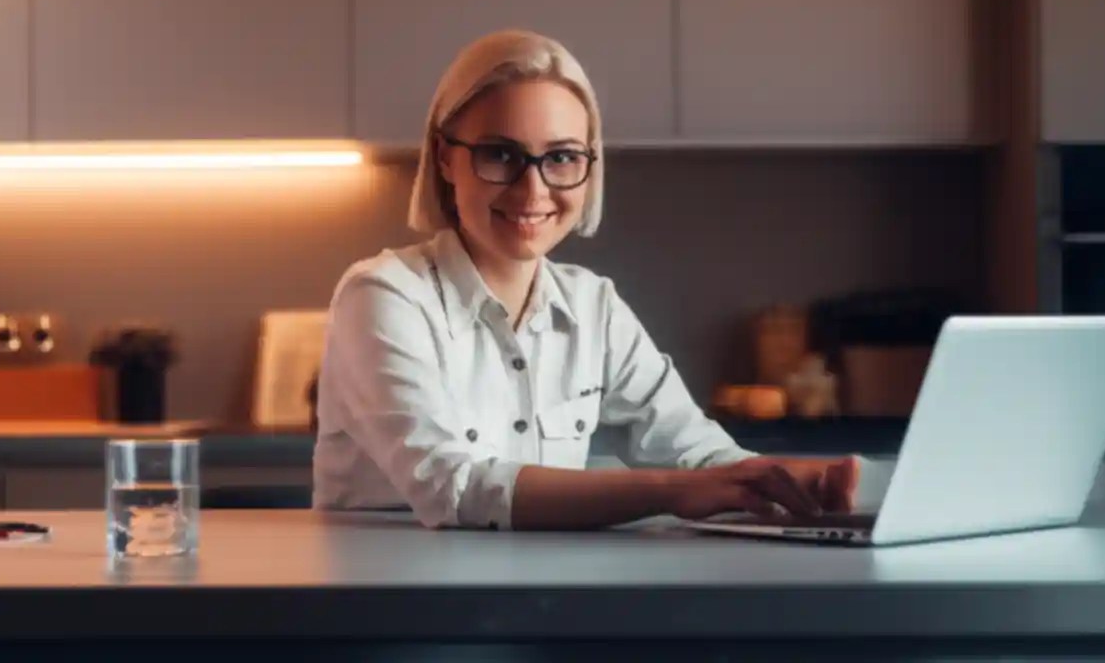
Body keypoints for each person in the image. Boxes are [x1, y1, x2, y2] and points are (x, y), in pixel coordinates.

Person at [312, 30, 863, 530]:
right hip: (395, 614)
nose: (533, 191)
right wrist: (670, 491)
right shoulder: (383, 296)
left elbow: (696, 458)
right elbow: (454, 489)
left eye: (561, 157)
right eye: (500, 154)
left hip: (545, 606)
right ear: (444, 159)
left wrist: (795, 480)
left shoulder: (592, 305)